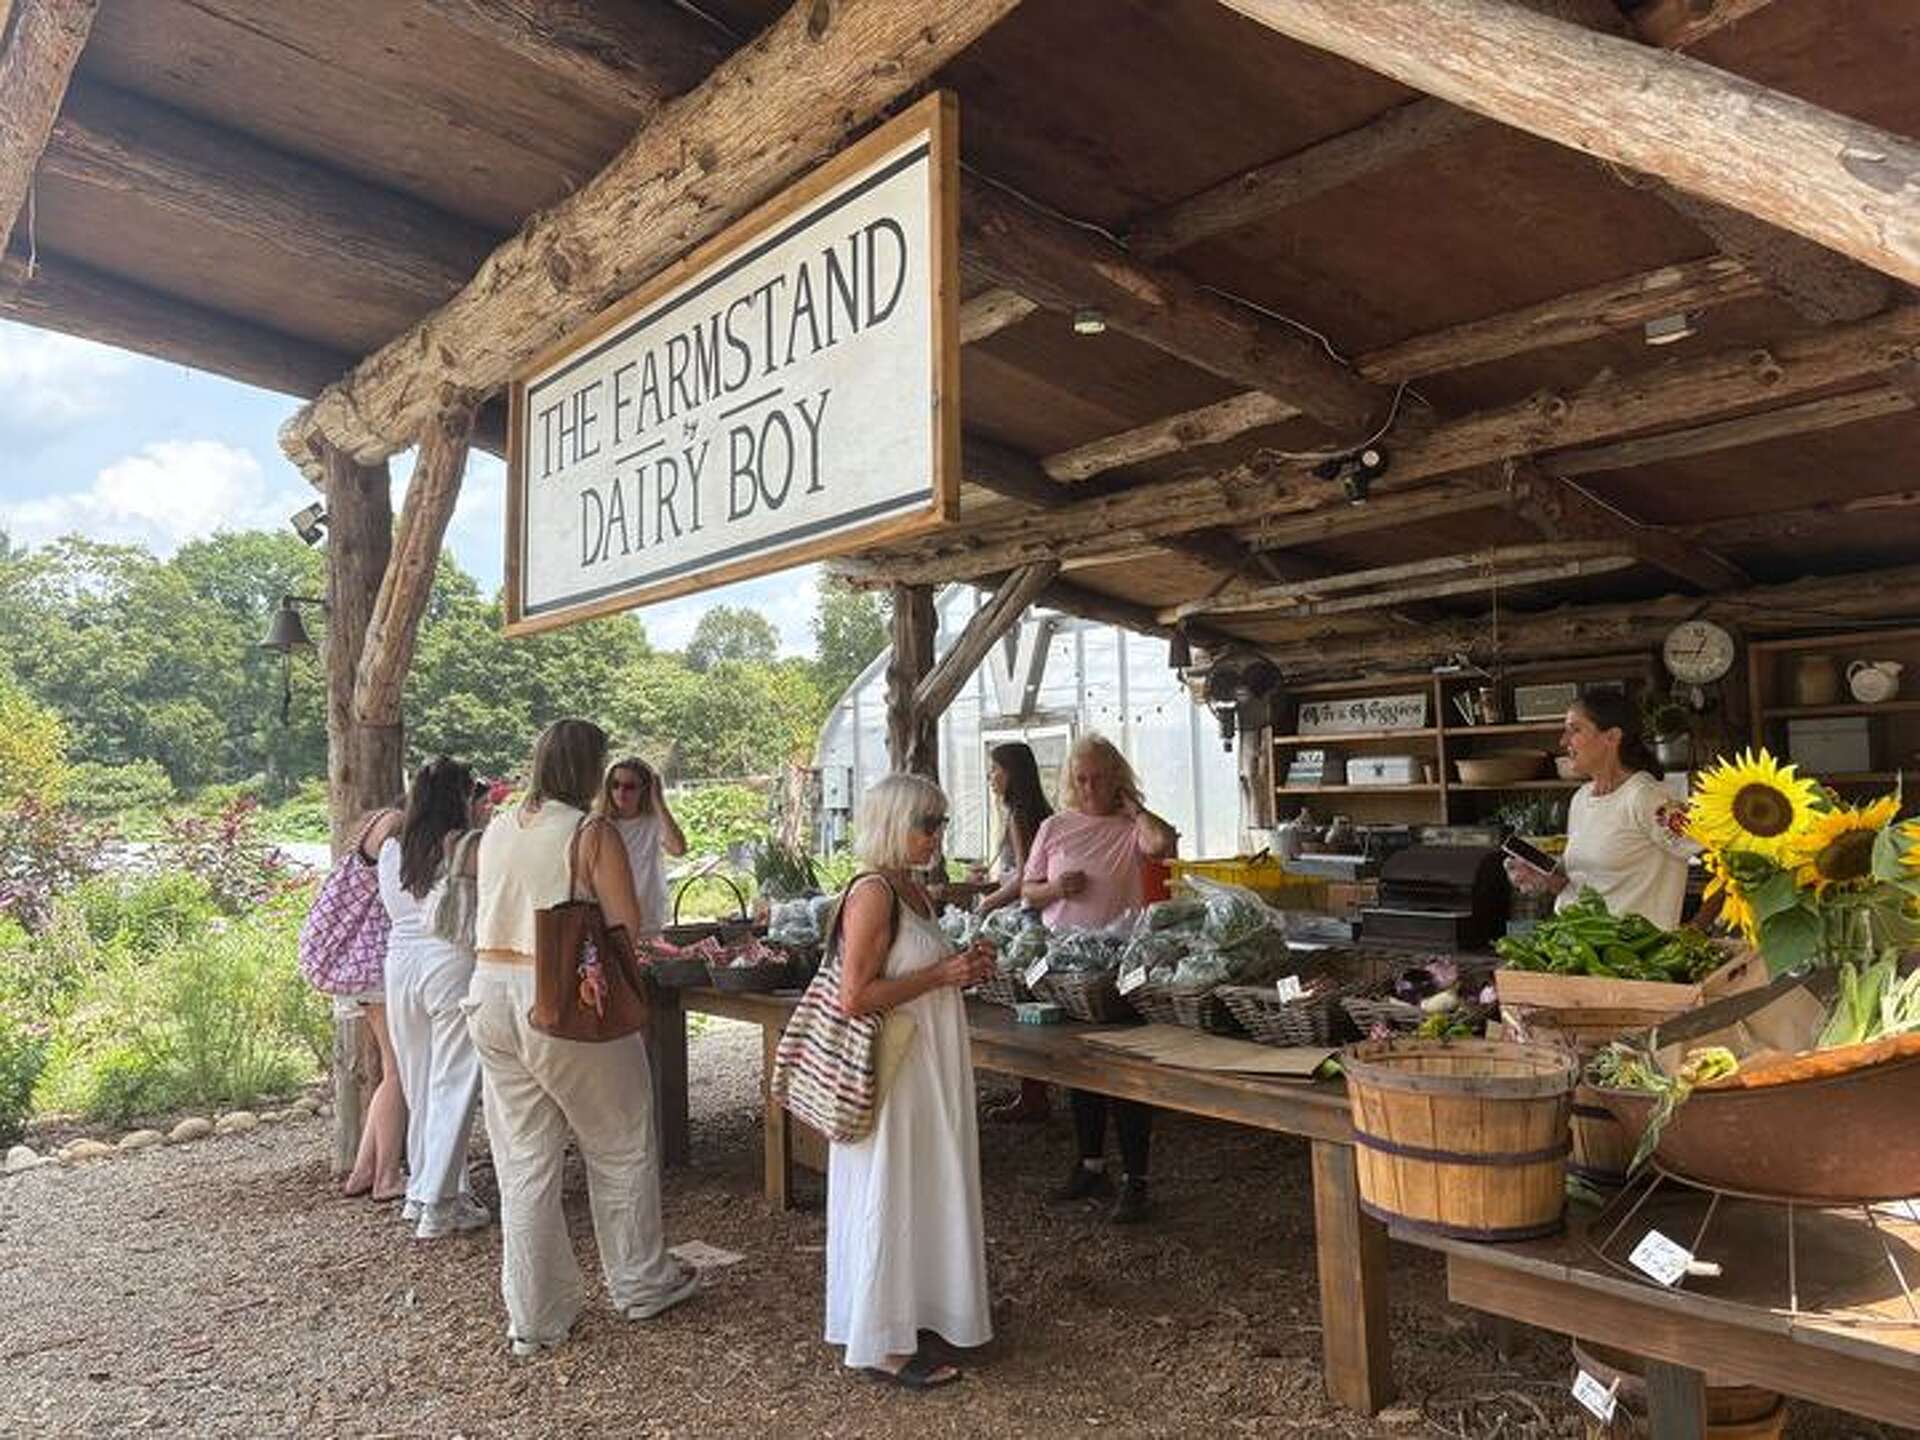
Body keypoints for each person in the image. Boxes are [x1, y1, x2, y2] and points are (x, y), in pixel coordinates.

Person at [469, 718, 698, 1356]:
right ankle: (641, 1281)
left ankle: (535, 1316)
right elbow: (627, 924)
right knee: (620, 1139)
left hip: (489, 991)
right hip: (564, 995)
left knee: (525, 1161)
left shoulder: (497, 828)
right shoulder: (590, 832)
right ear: (589, 768)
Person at [825, 773, 997, 1389]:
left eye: (941, 823)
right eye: (928, 824)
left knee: (923, 1185)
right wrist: (941, 976)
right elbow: (854, 997)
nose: (937, 836)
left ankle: (919, 1310)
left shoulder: (914, 892)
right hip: (894, 1068)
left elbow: (924, 968)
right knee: (890, 1188)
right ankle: (881, 1342)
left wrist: (963, 970)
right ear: (895, 825)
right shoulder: (873, 892)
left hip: (926, 1065)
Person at [1023, 735, 1177, 1224]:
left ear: (1117, 778)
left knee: (1126, 1073)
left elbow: (1163, 844)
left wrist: (1133, 809)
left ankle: (1137, 1180)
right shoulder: (1054, 827)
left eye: (1099, 778)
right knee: (1079, 1068)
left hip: (1120, 966)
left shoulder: (1131, 827)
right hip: (1067, 967)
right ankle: (1090, 1164)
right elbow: (1028, 892)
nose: (1089, 787)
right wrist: (1054, 888)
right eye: (1081, 778)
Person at [379, 756, 488, 1240]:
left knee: (421, 1085)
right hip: (450, 962)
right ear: (457, 797)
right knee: (455, 1083)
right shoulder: (462, 845)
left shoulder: (392, 849)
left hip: (399, 966)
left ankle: (428, 1191)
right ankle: (437, 1203)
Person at [1506, 691, 1692, 929]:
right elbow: (1585, 885)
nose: (1564, 741)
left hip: (1630, 957)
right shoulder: (1581, 798)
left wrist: (1697, 926)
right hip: (1573, 947)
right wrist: (1544, 879)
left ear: (1612, 736)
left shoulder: (1648, 798)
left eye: (1575, 730)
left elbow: (1721, 855)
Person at [977, 742, 1054, 1124]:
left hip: (1026, 915)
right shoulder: (1040, 811)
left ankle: (1033, 1092)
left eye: (994, 769)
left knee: (1020, 1002)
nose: (991, 777)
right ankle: (1034, 1089)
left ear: (1011, 773)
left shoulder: (1018, 814)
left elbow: (1024, 877)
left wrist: (987, 903)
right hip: (1042, 912)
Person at [339, 804, 408, 1202]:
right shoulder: (394, 826)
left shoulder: (368, 827)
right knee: (397, 1072)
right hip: (375, 965)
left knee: (389, 1070)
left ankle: (364, 1170)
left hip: (361, 968)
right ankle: (385, 1177)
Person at [597, 757, 686, 938]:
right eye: (615, 784)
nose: (621, 791)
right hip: (610, 919)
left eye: (630, 786)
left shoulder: (653, 821)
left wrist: (658, 801)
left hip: (650, 919)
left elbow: (678, 849)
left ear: (645, 789)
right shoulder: (600, 824)